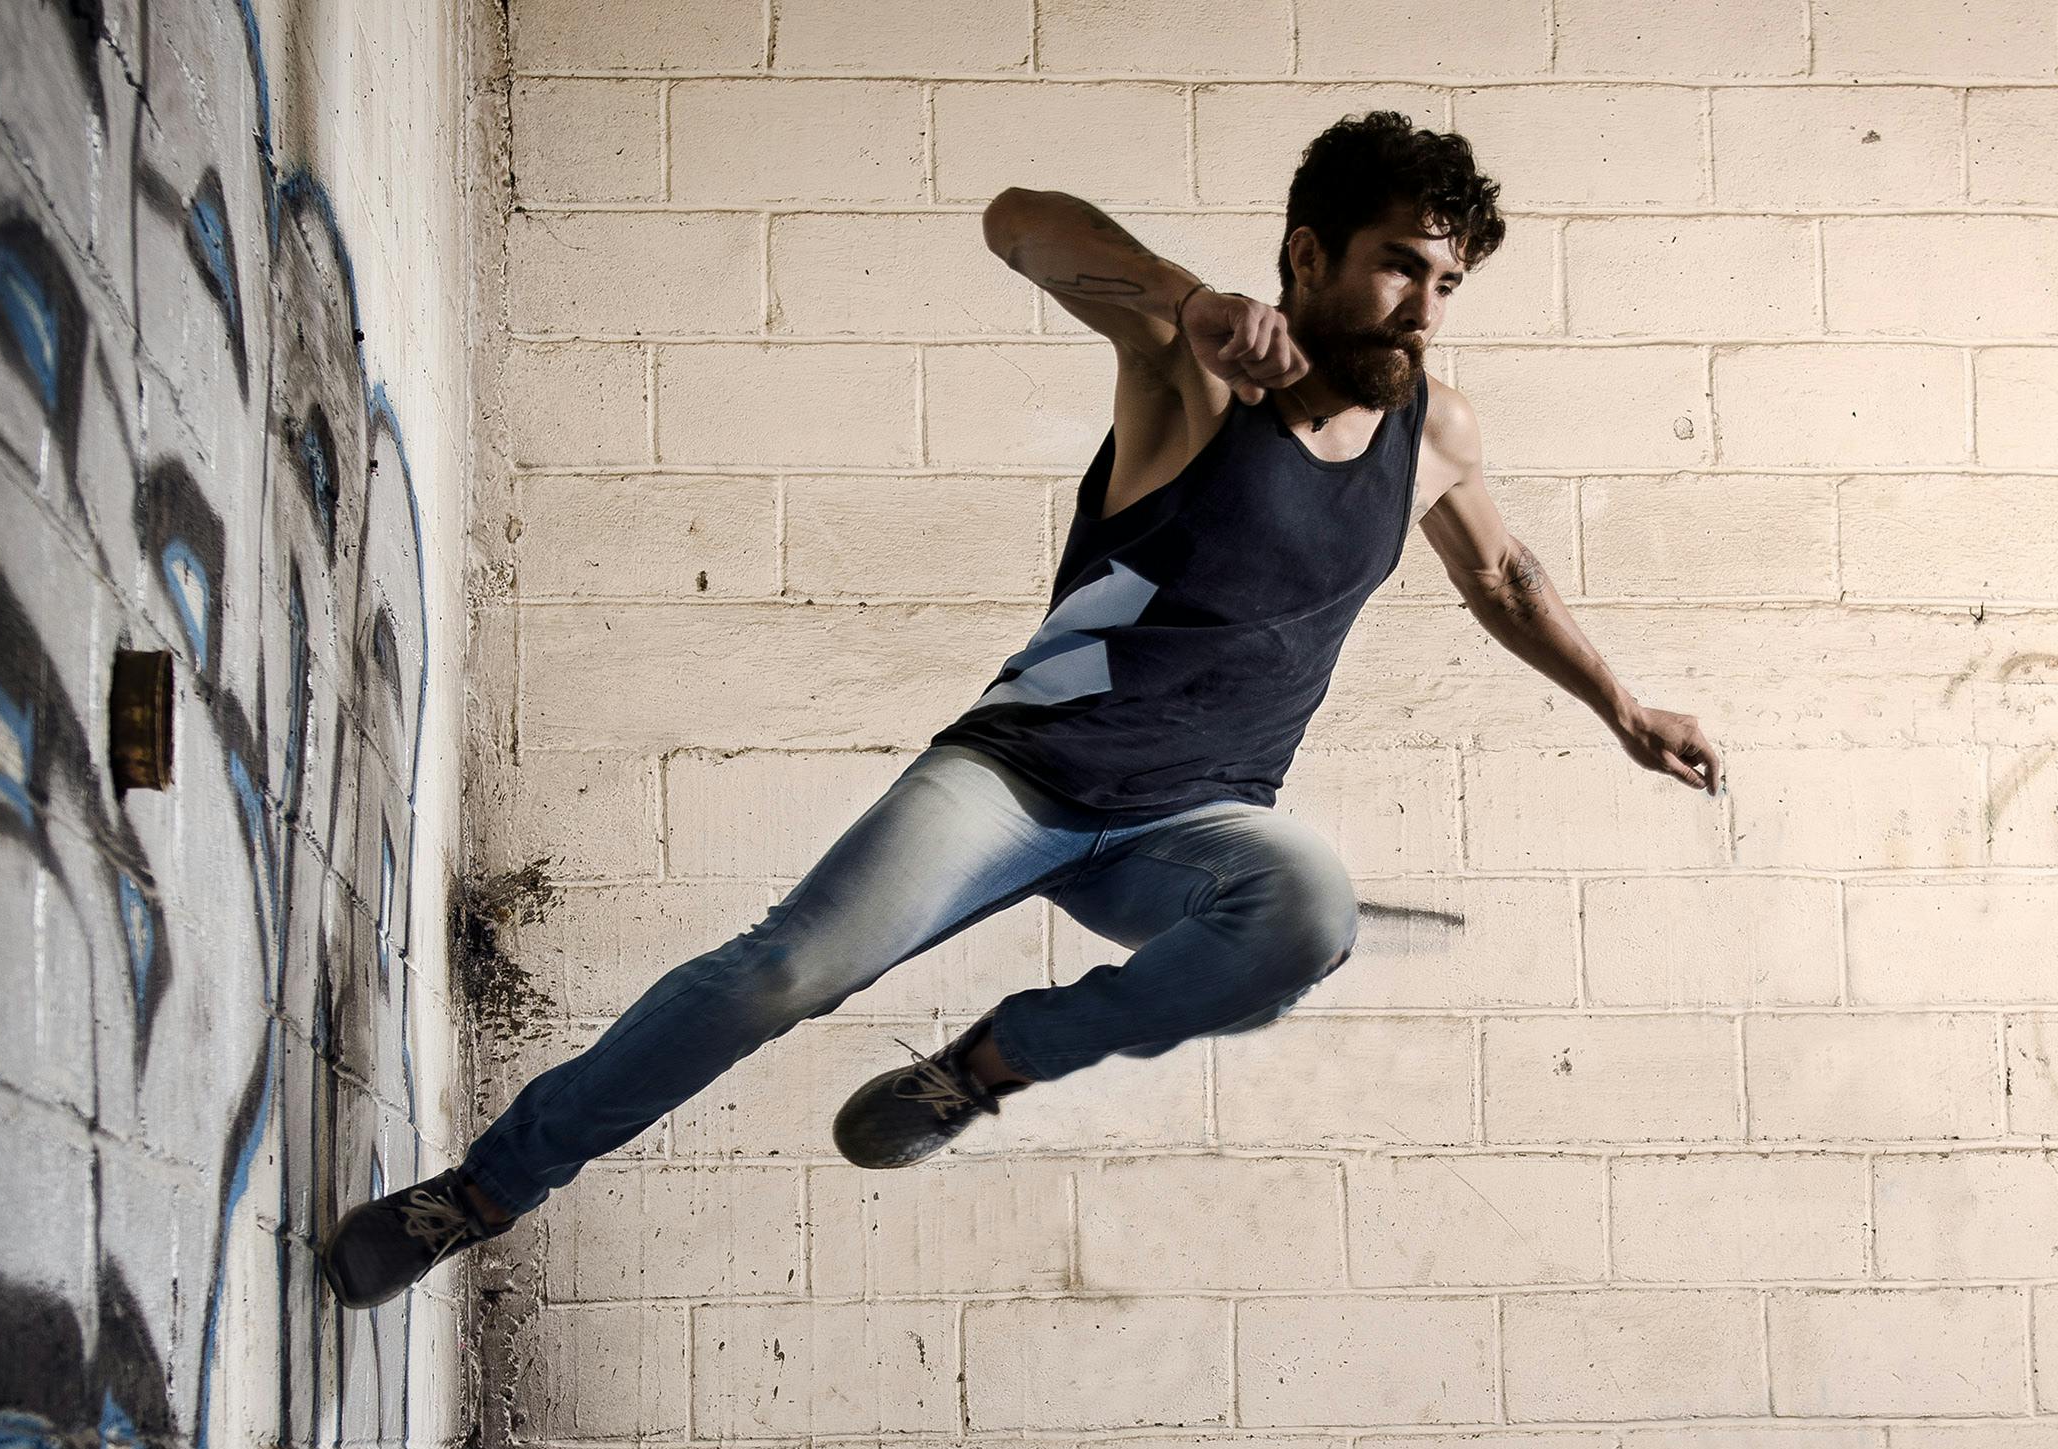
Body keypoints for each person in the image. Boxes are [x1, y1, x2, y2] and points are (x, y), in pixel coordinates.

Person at [319, 111, 1722, 1309]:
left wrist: (1620, 704)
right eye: (1400, 270)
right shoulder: (1193, 379)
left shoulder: (1436, 429)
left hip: (1197, 823)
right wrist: (1181, 300)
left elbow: (1502, 570)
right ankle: (483, 1189)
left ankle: (987, 1064)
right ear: (1308, 258)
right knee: (778, 976)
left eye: (1448, 285)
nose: (1423, 310)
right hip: (1018, 784)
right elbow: (1016, 219)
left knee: (1310, 915)